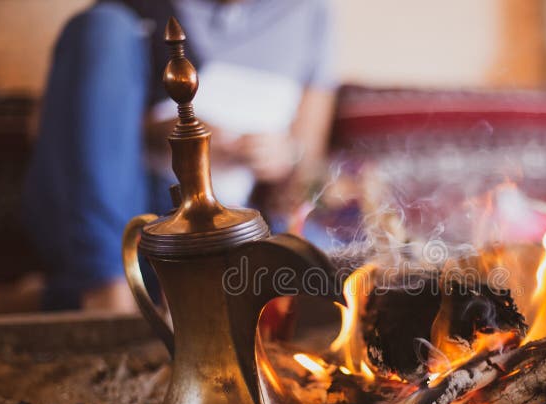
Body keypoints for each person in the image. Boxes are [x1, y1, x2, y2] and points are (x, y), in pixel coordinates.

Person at [22, 0, 336, 311]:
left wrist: (288, 154)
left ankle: (55, 297)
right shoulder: (133, 12)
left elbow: (308, 164)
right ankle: (108, 292)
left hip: (228, 224)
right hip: (125, 216)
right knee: (103, 24)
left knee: (328, 262)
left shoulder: (309, 13)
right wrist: (163, 134)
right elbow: (44, 128)